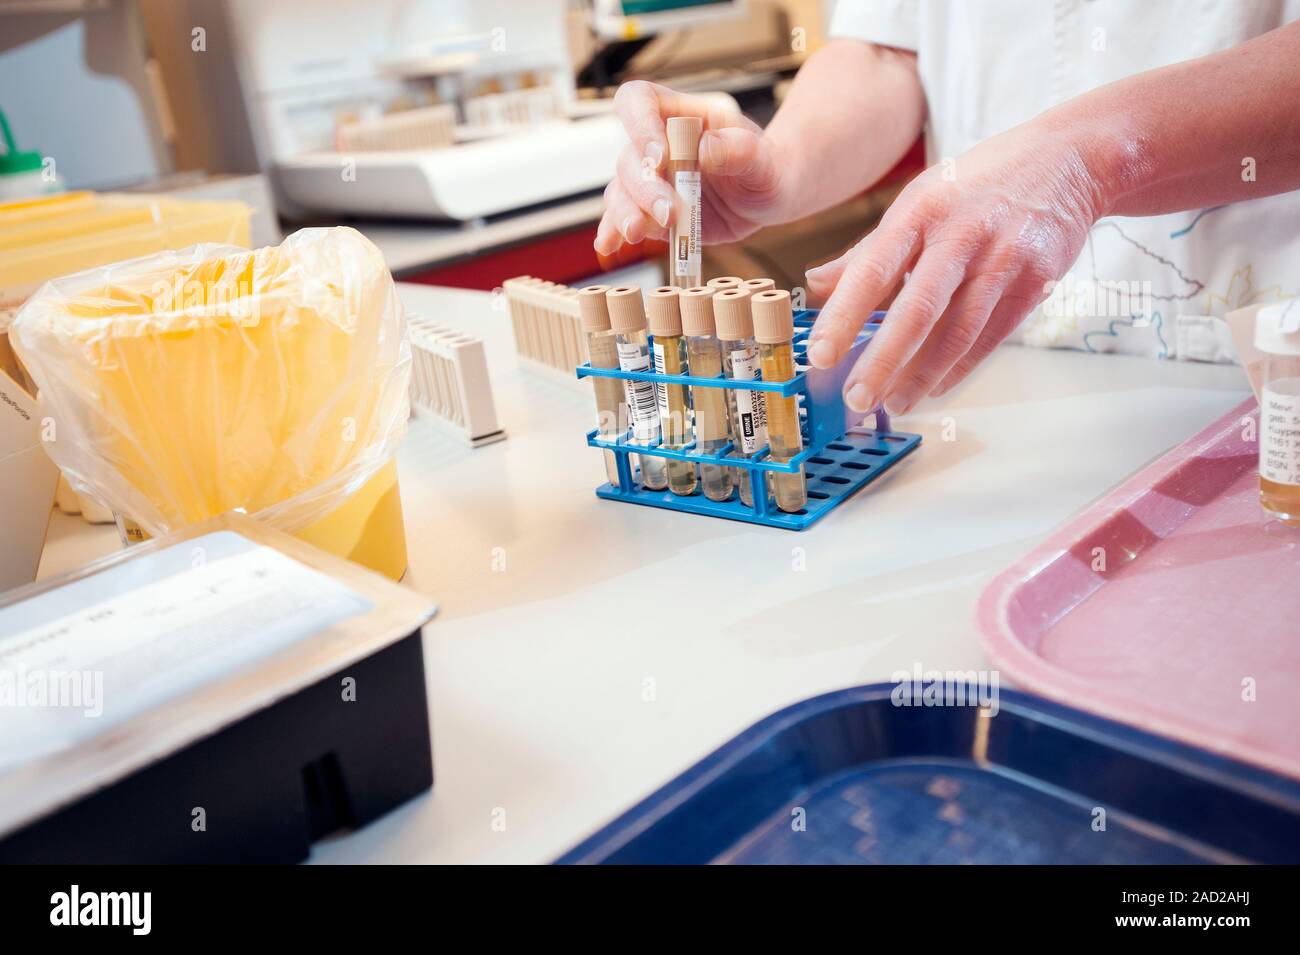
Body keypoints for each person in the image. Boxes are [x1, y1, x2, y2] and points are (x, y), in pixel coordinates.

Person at [594, 1, 1300, 416]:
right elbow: (888, 47)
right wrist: (783, 166)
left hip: (1248, 373)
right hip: (1001, 378)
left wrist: (1090, 157)